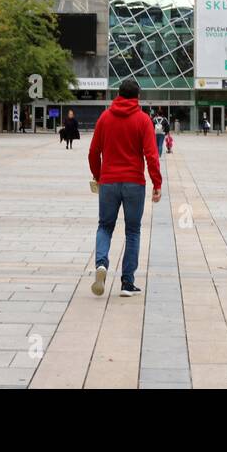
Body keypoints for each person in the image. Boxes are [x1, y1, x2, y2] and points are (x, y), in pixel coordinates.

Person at [88, 78, 162, 298]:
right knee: (132, 231)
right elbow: (151, 155)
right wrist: (157, 183)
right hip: (134, 183)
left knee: (105, 226)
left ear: (118, 94)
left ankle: (101, 264)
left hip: (109, 182)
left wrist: (98, 175)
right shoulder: (143, 120)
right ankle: (127, 283)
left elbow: (93, 151)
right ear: (137, 96)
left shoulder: (105, 118)